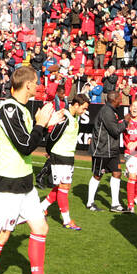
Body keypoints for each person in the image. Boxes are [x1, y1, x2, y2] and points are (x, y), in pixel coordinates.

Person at [0, 64, 70, 274]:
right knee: (0, 236)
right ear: (28, 84)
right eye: (36, 82)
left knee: (41, 228)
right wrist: (41, 124)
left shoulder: (23, 110)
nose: (38, 87)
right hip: (7, 184)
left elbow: (31, 139)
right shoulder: (9, 109)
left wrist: (47, 124)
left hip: (25, 183)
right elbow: (25, 145)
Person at [43, 93, 90, 231]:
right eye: (84, 108)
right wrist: (49, 150)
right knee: (64, 187)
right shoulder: (65, 117)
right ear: (76, 105)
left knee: (62, 187)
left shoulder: (74, 117)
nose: (84, 111)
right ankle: (67, 220)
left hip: (68, 157)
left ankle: (41, 208)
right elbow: (53, 135)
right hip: (60, 156)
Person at [86, 89, 126, 211]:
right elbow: (115, 130)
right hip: (102, 149)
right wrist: (126, 121)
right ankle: (90, 202)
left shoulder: (111, 111)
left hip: (111, 149)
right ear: (114, 100)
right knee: (98, 175)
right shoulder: (107, 112)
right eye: (119, 98)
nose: (121, 99)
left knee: (117, 173)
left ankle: (115, 204)